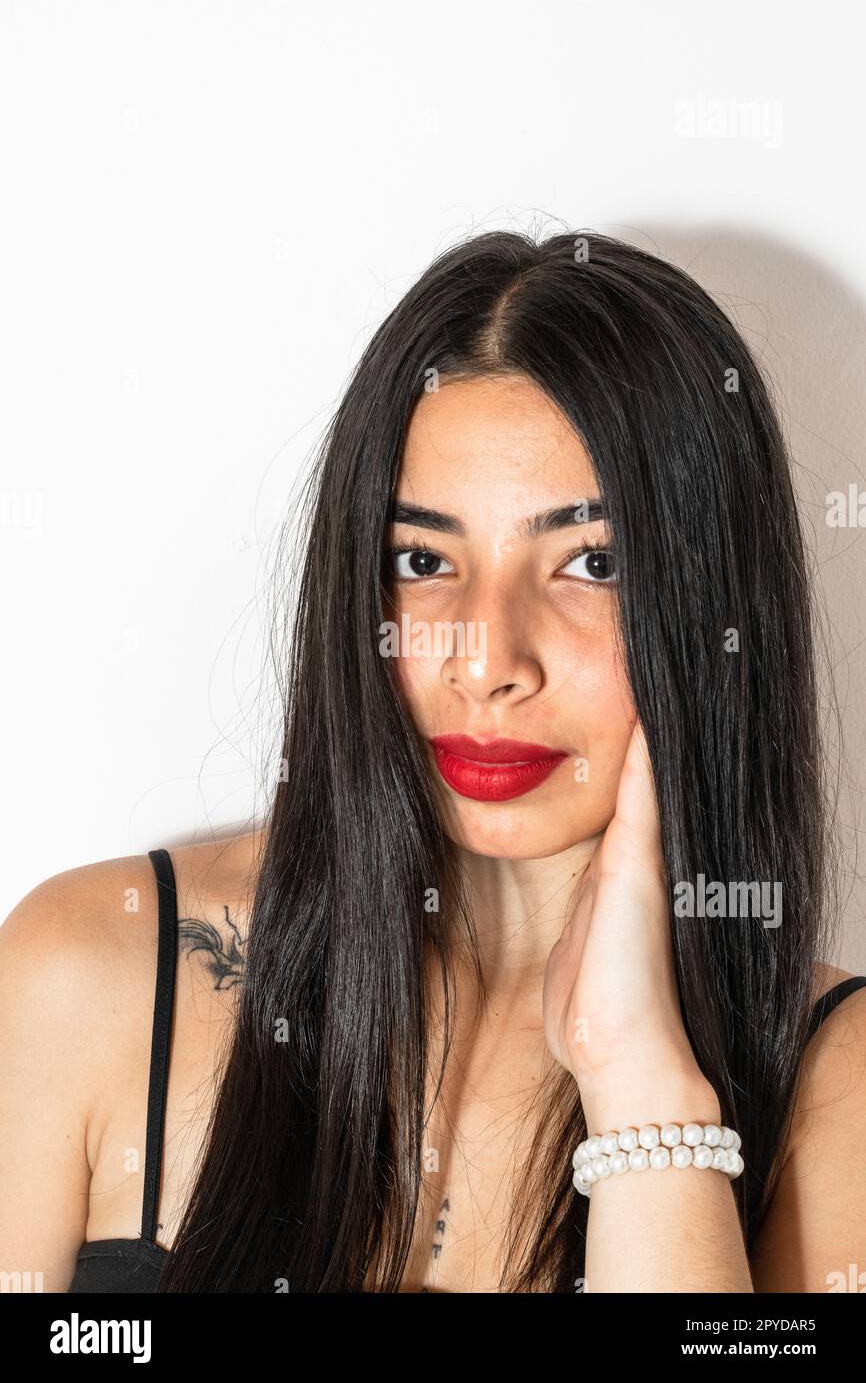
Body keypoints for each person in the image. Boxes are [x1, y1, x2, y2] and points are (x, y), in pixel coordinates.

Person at [2, 229, 865, 1294]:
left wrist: (640, 1088)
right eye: (423, 561)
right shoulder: (85, 969)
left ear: (713, 611)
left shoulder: (839, 1090)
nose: (486, 659)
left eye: (591, 563)